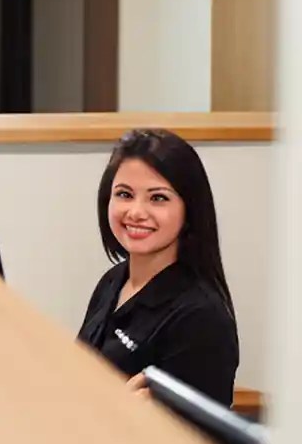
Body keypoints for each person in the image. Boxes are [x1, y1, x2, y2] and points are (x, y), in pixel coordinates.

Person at [76, 129, 239, 406]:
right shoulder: (114, 280)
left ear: (190, 210)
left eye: (158, 198)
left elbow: (200, 441)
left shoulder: (200, 319)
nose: (136, 212)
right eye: (125, 194)